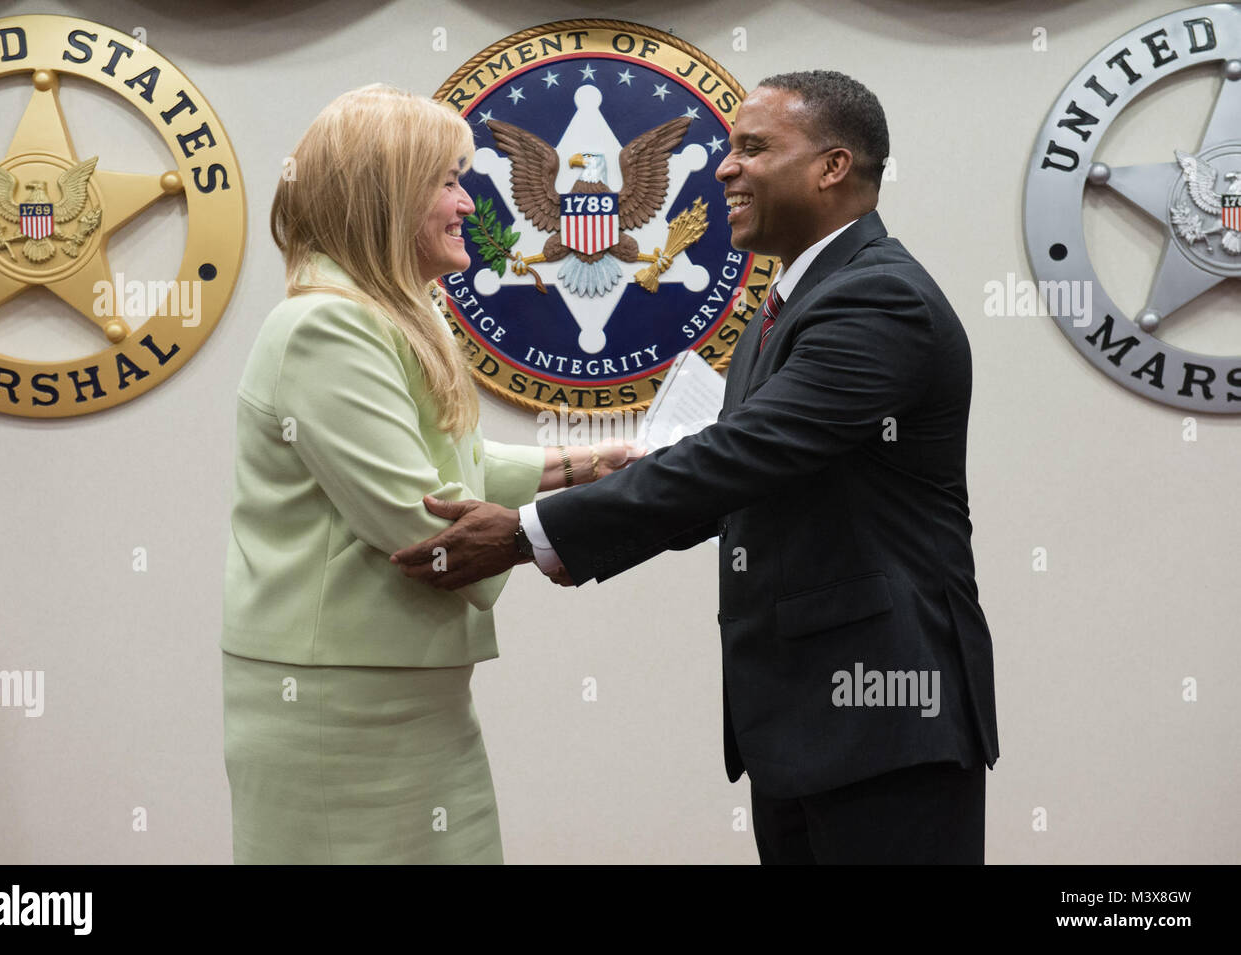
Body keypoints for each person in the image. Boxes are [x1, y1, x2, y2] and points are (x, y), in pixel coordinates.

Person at [390, 71, 1001, 864]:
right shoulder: (789, 305)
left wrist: (529, 534)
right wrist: (594, 484)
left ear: (833, 167)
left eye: (752, 147)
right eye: (727, 148)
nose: (723, 167)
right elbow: (744, 477)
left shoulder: (879, 301)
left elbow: (743, 456)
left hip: (884, 718)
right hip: (803, 722)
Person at [219, 83, 635, 864]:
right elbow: (428, 530)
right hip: (341, 708)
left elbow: (444, 461)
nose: (464, 202)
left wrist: (581, 463)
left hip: (399, 694)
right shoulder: (328, 325)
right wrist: (539, 534)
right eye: (446, 181)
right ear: (383, 198)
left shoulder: (388, 312)